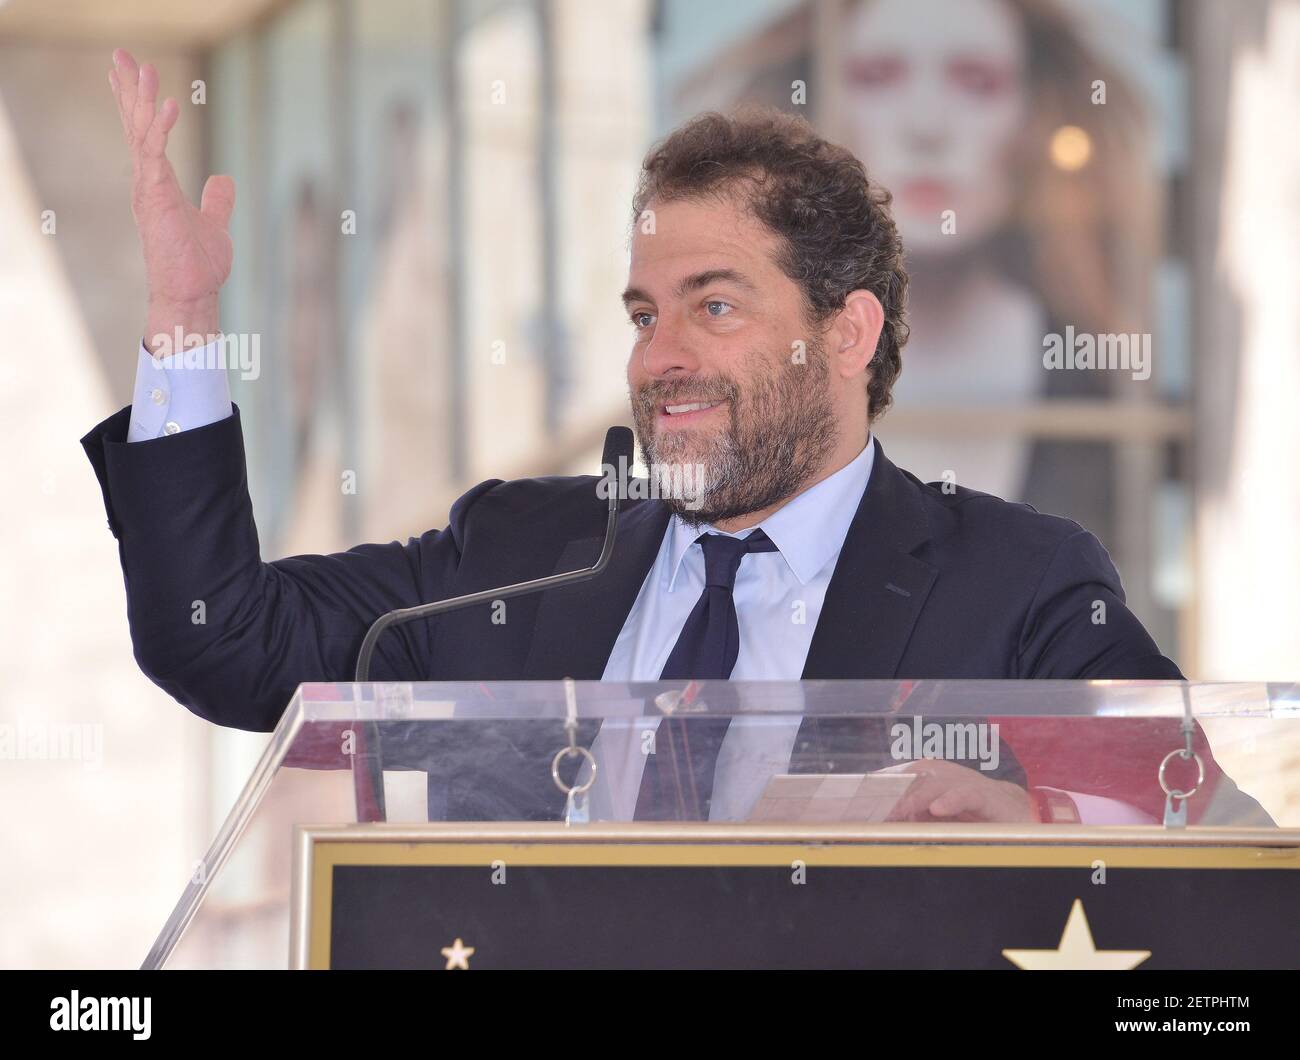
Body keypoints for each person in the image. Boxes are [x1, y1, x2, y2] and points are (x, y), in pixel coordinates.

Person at [85, 50, 1256, 827]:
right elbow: (218, 637)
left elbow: (1187, 820)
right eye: (645, 315)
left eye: (716, 304)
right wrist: (186, 322)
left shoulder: (1015, 583)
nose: (659, 356)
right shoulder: (515, 556)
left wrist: (1037, 822)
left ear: (847, 333)